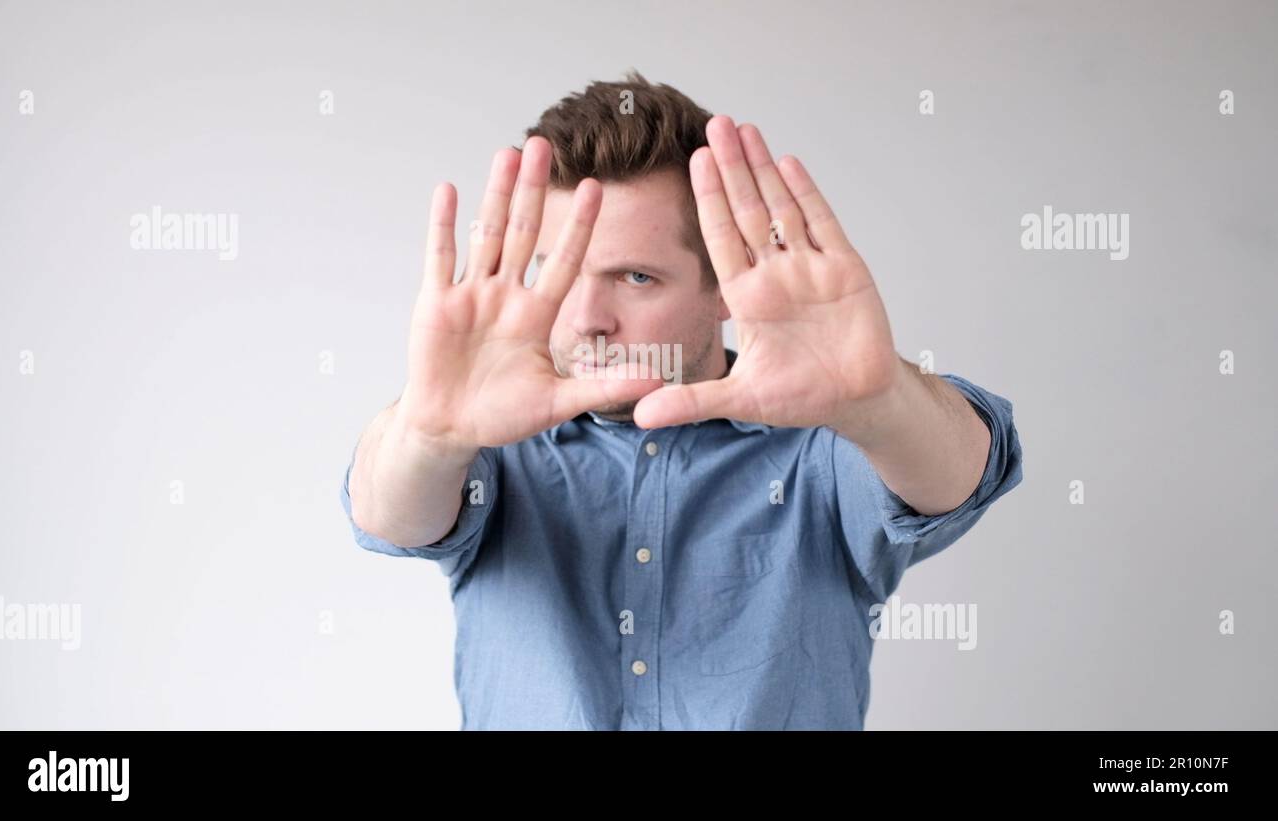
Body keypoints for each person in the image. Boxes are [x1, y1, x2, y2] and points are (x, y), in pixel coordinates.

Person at [340, 70, 1024, 730]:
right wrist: (429, 434)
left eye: (636, 277)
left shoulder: (821, 443)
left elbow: (961, 475)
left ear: (725, 284)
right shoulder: (492, 446)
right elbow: (388, 513)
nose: (586, 320)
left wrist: (882, 400)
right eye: (559, 272)